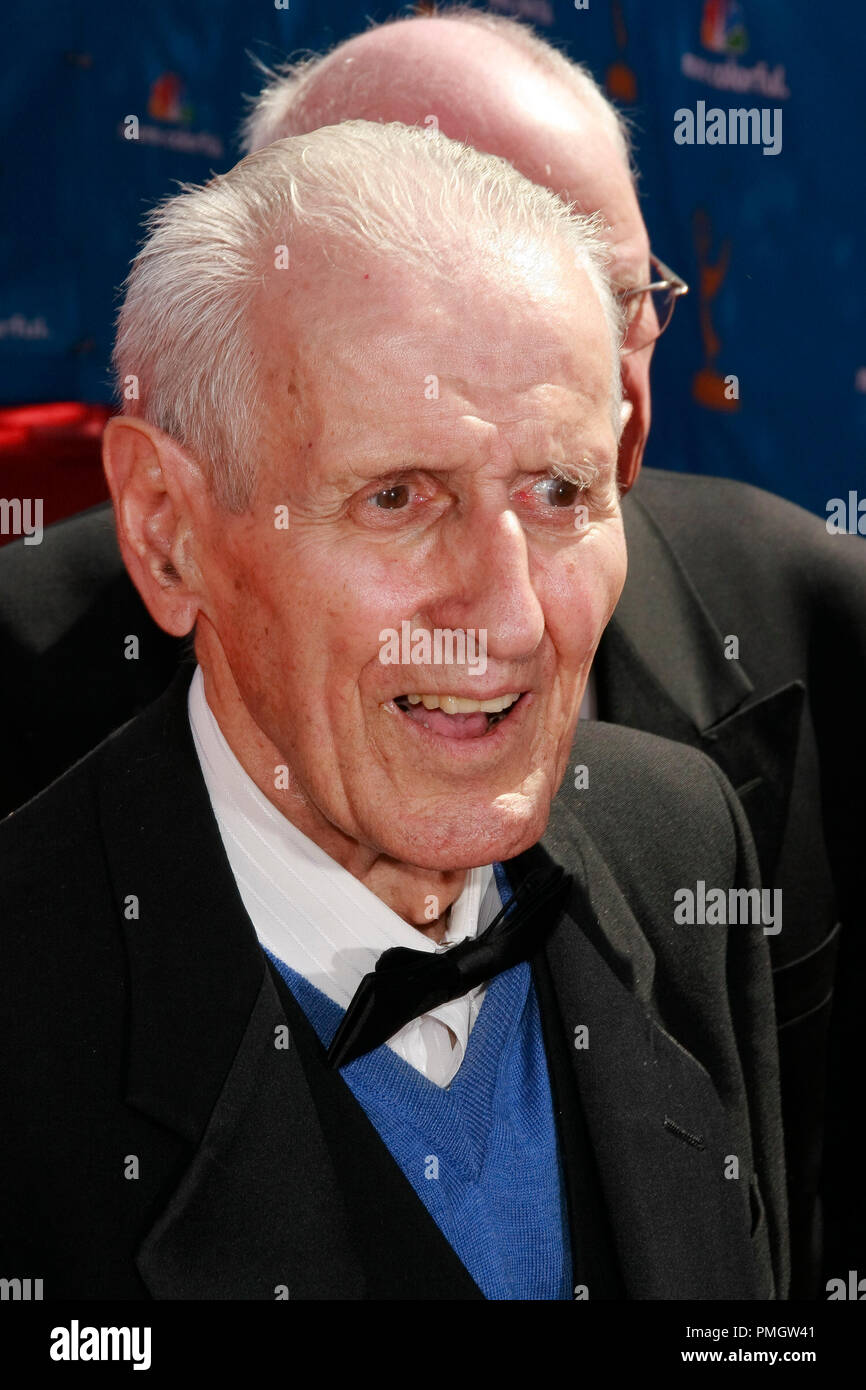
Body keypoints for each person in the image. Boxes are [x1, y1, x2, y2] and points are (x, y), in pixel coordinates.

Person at [0, 8, 862, 1294]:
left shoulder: (679, 843)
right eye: (397, 498)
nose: (510, 617)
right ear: (169, 533)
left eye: (560, 491)